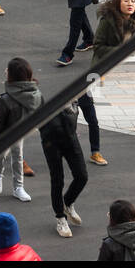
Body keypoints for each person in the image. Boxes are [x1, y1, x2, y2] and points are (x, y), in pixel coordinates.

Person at [0, 57, 40, 203]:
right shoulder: (7, 99)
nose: (5, 71)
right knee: (1, 154)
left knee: (17, 156)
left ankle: (18, 187)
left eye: (8, 70)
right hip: (6, 132)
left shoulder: (31, 94)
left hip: (19, 131)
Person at [39, 99, 89, 238]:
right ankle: (60, 218)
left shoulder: (73, 88)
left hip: (70, 136)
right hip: (51, 139)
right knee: (57, 179)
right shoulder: (47, 91)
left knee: (82, 176)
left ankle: (67, 202)